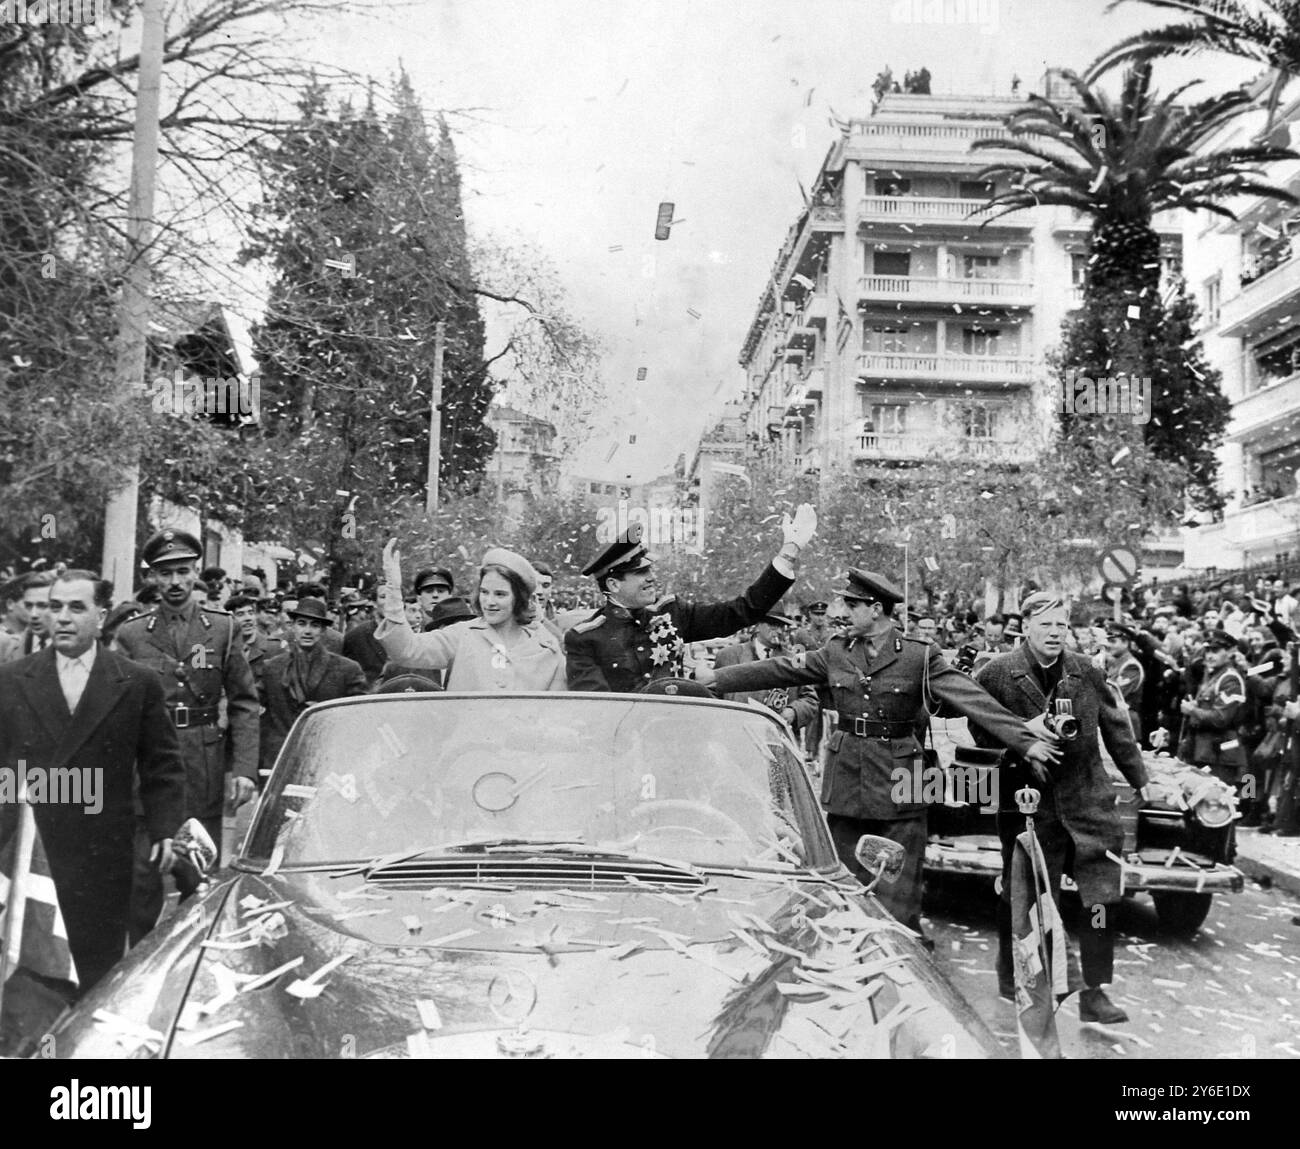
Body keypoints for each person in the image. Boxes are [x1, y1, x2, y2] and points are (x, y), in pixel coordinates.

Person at [696, 569, 1059, 935]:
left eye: (852, 606)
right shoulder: (835, 652)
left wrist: (1025, 741)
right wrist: (717, 678)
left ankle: (902, 961)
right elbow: (781, 669)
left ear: (876, 610)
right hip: (847, 780)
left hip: (906, 780)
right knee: (841, 885)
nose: (844, 612)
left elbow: (973, 698)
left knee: (899, 895)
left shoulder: (920, 656)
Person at [0, 570, 185, 992]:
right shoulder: (11, 680)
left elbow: (163, 764)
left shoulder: (137, 682)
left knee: (93, 970)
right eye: (54, 606)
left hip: (101, 852)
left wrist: (165, 828)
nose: (62, 617)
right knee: (30, 972)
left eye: (76, 607)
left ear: (101, 616)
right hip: (28, 853)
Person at [972, 591, 1151, 1026]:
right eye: (1046, 624)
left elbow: (1117, 730)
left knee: (1100, 897)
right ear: (1026, 626)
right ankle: (1016, 972)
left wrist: (1139, 779)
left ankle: (1095, 992)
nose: (1055, 633)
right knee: (1026, 893)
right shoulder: (995, 674)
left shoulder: (1088, 671)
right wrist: (1022, 738)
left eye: (1062, 625)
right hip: (1028, 800)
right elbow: (981, 737)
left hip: (1088, 798)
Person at [115, 529, 259, 942]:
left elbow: (245, 702)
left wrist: (244, 769)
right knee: (141, 880)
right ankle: (134, 971)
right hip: (148, 772)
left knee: (199, 879)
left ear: (195, 572)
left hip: (201, 763)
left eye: (183, 571)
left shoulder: (222, 629)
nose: (175, 582)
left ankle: (193, 965)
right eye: (165, 574)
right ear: (153, 579)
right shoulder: (132, 635)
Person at [566, 505, 817, 693]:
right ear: (613, 584)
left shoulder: (672, 613)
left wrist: (789, 551)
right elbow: (596, 710)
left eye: (650, 570)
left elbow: (743, 610)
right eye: (641, 572)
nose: (652, 578)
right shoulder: (585, 638)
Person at [376, 541, 565, 691]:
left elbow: (557, 713)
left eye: (500, 594)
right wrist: (393, 591)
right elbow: (407, 650)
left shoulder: (546, 645)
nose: (489, 601)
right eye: (484, 592)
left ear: (520, 599)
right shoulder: (463, 634)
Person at [260, 598, 368, 773]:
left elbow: (360, 717)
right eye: (302, 624)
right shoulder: (273, 667)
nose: (307, 631)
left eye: (315, 625)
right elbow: (255, 710)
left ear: (324, 630)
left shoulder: (346, 669)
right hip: (280, 760)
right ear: (292, 627)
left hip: (325, 759)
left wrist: (327, 715)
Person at [714, 612, 819, 733]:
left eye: (782, 626)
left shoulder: (796, 660)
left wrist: (793, 711)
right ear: (758, 625)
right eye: (773, 625)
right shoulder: (729, 655)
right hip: (735, 733)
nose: (779, 631)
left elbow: (810, 699)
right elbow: (712, 694)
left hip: (776, 736)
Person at [1178, 629, 1248, 790]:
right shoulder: (1213, 676)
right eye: (1207, 651)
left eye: (1215, 651)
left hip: (1220, 753)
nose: (1209, 655)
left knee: (1214, 802)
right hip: (1204, 750)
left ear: (1230, 652)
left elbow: (1221, 718)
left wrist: (1192, 711)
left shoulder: (1229, 679)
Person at [225, 591, 285, 696]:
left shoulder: (274, 649)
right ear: (230, 619)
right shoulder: (224, 650)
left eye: (251, 613)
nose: (248, 618)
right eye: (240, 614)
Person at [1101, 621, 1146, 742]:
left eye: (1113, 641)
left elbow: (1114, 695)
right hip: (1112, 720)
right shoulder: (1113, 662)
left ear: (1125, 643)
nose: (1108, 645)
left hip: (1126, 723)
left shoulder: (1131, 666)